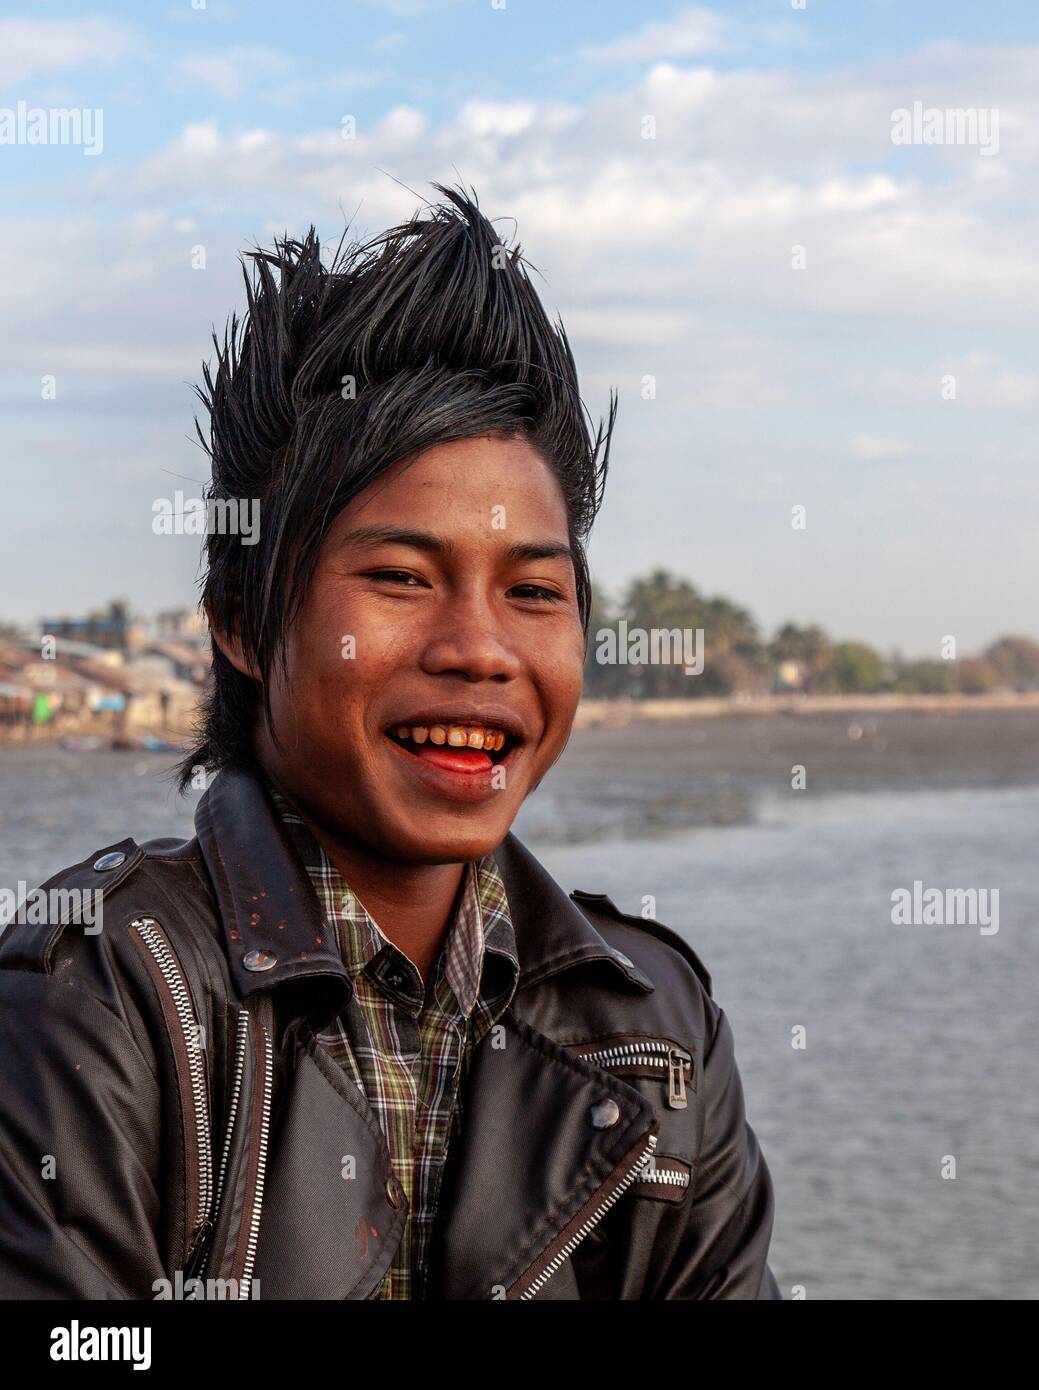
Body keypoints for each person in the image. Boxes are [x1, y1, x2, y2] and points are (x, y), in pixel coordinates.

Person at [0, 184, 779, 1300]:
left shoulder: (655, 1030)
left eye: (533, 591)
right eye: (402, 577)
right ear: (241, 617)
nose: (479, 649)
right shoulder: (106, 997)